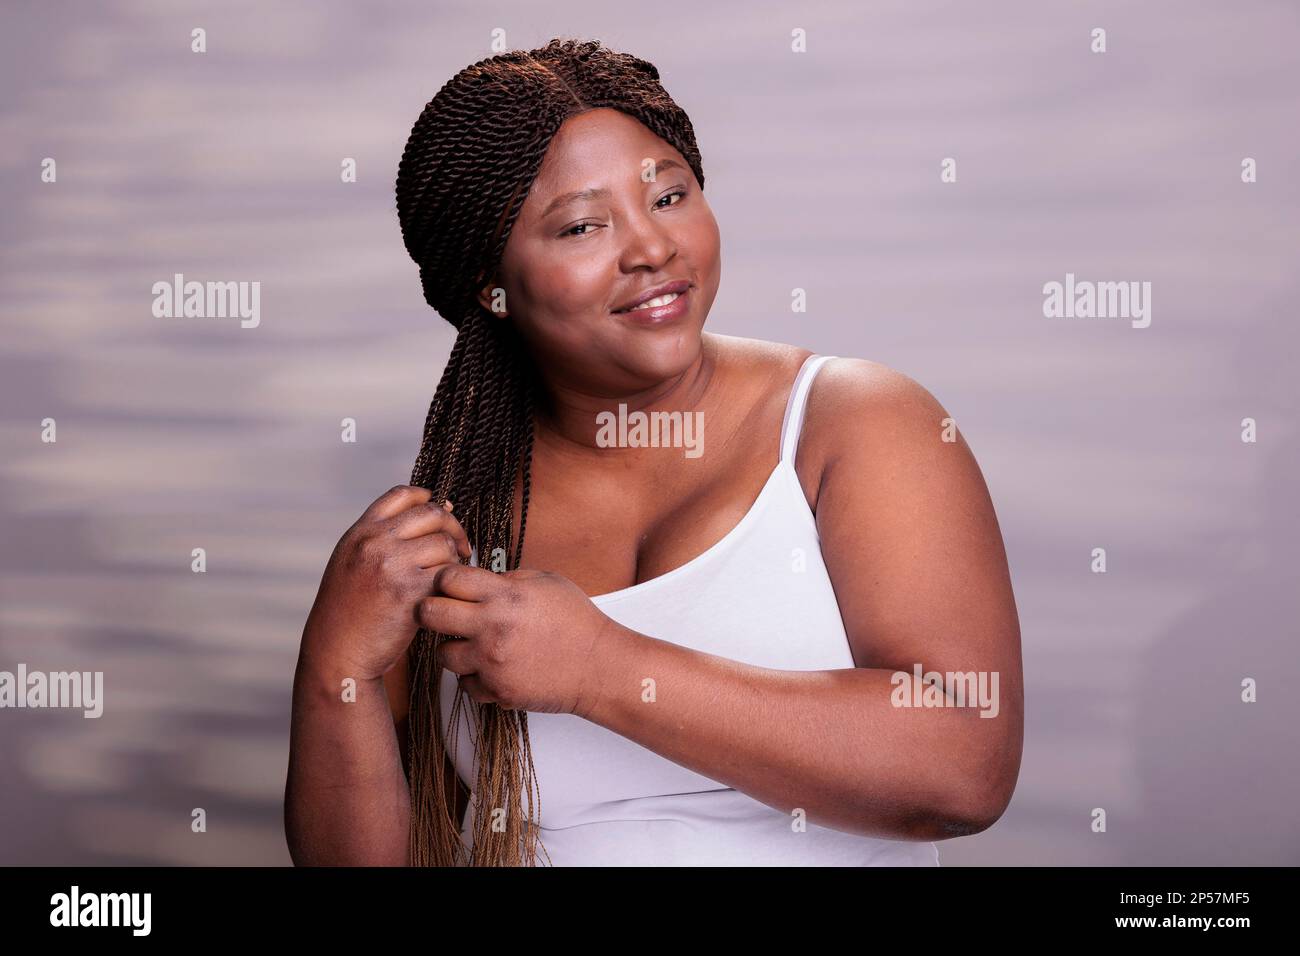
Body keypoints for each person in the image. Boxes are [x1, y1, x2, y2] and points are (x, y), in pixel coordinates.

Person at [284, 37, 1023, 867]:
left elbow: (963, 770)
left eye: (669, 195)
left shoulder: (855, 425)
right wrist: (333, 672)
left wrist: (603, 668)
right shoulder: (453, 524)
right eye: (582, 226)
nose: (651, 248)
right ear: (489, 286)